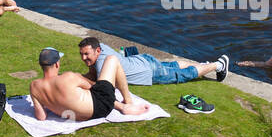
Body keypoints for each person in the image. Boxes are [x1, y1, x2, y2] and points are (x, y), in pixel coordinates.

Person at [29, 46, 149, 123]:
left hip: (78, 116)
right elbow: (95, 90)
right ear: (57, 64)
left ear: (41, 66)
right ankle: (127, 103)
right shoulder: (68, 77)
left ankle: (124, 106)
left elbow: (41, 117)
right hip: (101, 108)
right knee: (112, 59)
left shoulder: (34, 86)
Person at [79, 36, 229, 87]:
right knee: (174, 66)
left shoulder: (102, 65)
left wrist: (80, 81)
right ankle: (204, 66)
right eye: (82, 54)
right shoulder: (100, 46)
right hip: (143, 60)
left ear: (97, 51)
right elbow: (92, 72)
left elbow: (102, 87)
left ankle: (218, 65)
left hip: (149, 73)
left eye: (87, 54)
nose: (84, 58)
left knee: (183, 75)